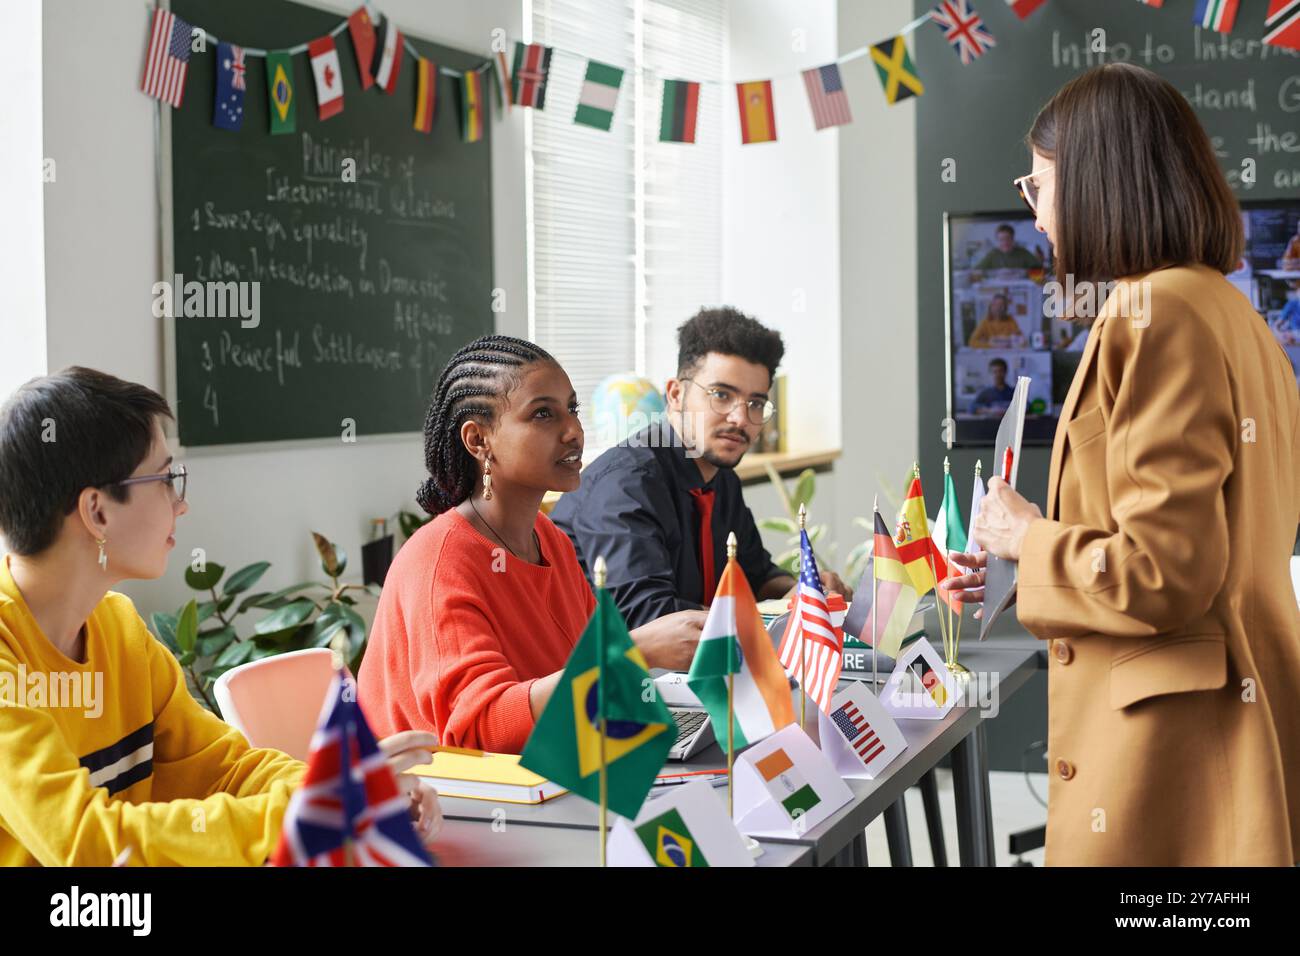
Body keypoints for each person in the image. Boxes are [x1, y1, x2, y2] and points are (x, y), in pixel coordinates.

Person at [944, 63, 1300, 866]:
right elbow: (1183, 535)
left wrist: (1031, 539)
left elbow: (1166, 571)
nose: (1035, 218)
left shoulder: (1157, 314)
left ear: (1099, 180)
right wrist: (1016, 563)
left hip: (1175, 753)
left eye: (1038, 189)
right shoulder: (1230, 312)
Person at [0, 368, 442, 866]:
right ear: (98, 512)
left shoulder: (119, 628)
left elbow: (227, 769)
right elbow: (87, 843)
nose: (181, 504)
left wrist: (351, 789)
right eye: (166, 479)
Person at [358, 336, 705, 752]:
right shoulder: (438, 561)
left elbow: (592, 678)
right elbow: (480, 731)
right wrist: (636, 651)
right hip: (446, 802)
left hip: (553, 770)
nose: (574, 431)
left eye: (572, 409)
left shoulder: (551, 540)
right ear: (478, 440)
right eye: (543, 414)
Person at [550, 307, 853, 630]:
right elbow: (650, 618)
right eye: (721, 395)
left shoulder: (721, 478)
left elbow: (755, 574)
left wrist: (801, 589)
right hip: (605, 674)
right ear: (676, 394)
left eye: (755, 403)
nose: (739, 418)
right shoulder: (625, 485)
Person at [974, 223, 1043, 271]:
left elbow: (1038, 267)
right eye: (1001, 240)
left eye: (1008, 238)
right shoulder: (992, 254)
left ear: (1013, 239)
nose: (1005, 242)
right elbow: (978, 269)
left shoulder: (1023, 252)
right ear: (997, 240)